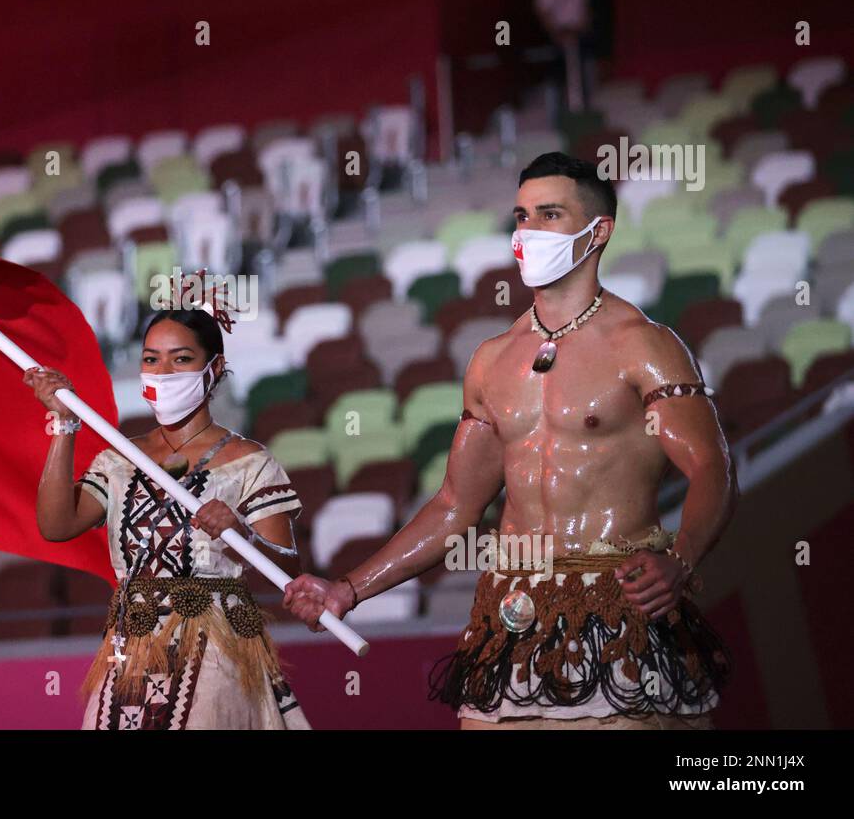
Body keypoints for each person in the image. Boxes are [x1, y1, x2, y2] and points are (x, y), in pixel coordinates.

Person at [285, 152, 735, 729]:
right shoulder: (492, 361)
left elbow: (713, 468)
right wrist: (347, 589)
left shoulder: (644, 345)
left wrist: (680, 558)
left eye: (549, 215)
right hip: (511, 620)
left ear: (599, 232)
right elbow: (454, 506)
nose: (528, 231)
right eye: (521, 216)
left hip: (621, 614)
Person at [25, 287, 310, 729]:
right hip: (128, 648)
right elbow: (56, 524)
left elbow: (286, 562)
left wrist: (240, 535)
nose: (163, 371)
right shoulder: (120, 456)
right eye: (151, 358)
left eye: (181, 359)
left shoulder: (250, 460)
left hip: (218, 647)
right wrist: (64, 423)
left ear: (213, 368)